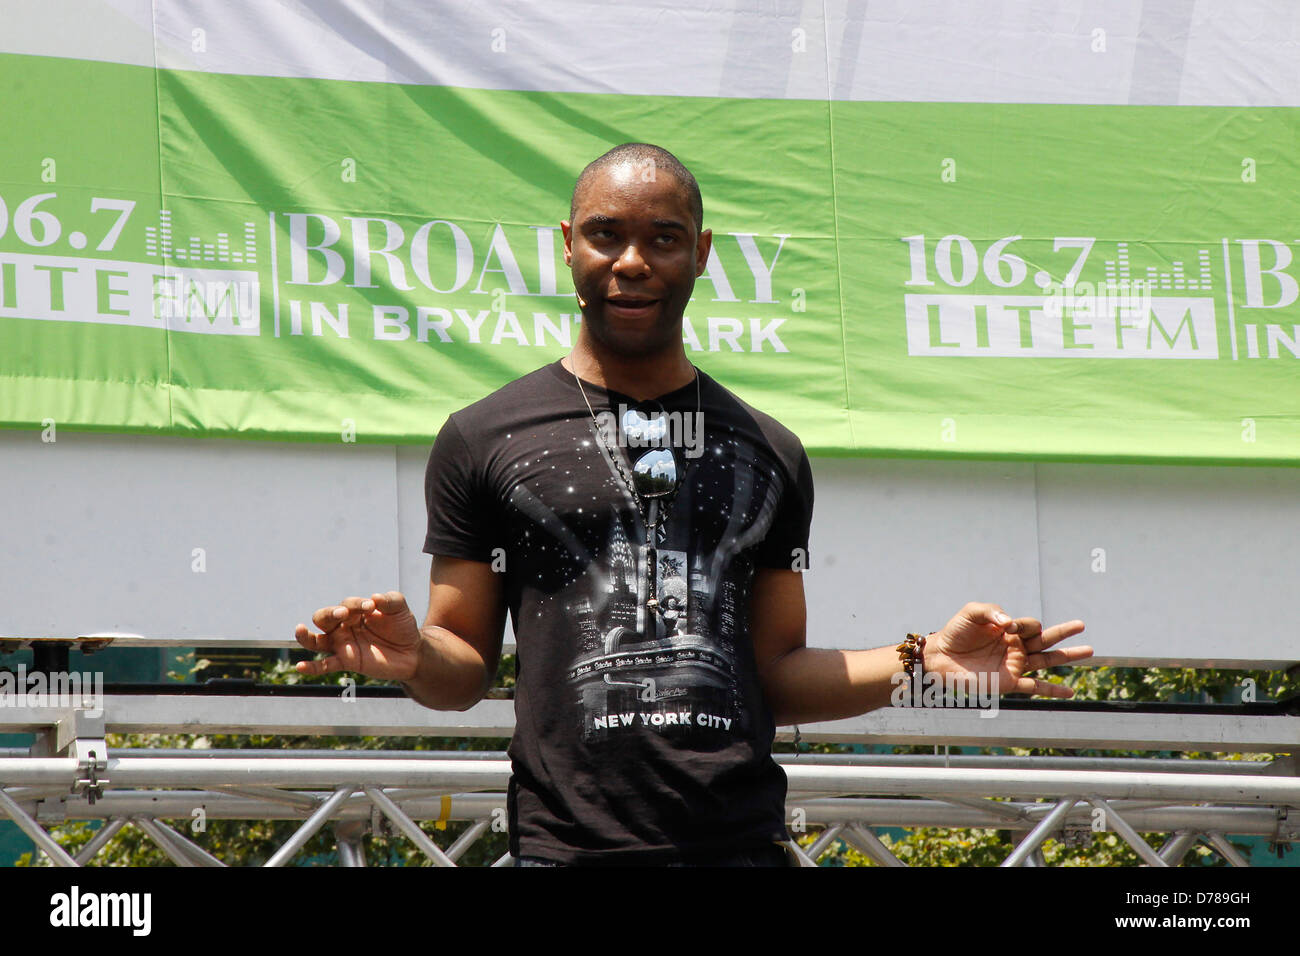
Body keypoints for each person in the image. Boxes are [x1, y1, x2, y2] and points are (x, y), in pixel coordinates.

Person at [295, 143, 1091, 866]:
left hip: (742, 847)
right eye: (607, 235)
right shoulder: (481, 437)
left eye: (663, 239)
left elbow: (774, 678)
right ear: (567, 243)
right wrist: (411, 660)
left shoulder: (769, 448)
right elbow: (461, 671)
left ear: (701, 253)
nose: (632, 261)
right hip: (566, 852)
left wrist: (924, 664)